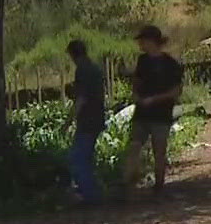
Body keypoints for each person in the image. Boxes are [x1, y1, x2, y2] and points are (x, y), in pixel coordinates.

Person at [125, 24, 183, 195]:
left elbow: (176, 92)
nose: (140, 44)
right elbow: (137, 81)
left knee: (159, 151)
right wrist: (136, 94)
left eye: (142, 40)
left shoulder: (170, 64)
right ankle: (129, 185)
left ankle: (159, 187)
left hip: (161, 114)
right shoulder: (142, 61)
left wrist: (154, 99)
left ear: (151, 41)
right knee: (134, 146)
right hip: (142, 113)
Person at [64, 38, 111, 205]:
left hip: (87, 120)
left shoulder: (82, 70)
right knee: (86, 158)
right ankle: (94, 192)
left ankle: (91, 196)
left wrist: (68, 121)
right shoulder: (94, 68)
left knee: (77, 159)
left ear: (72, 55)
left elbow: (81, 99)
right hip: (96, 117)